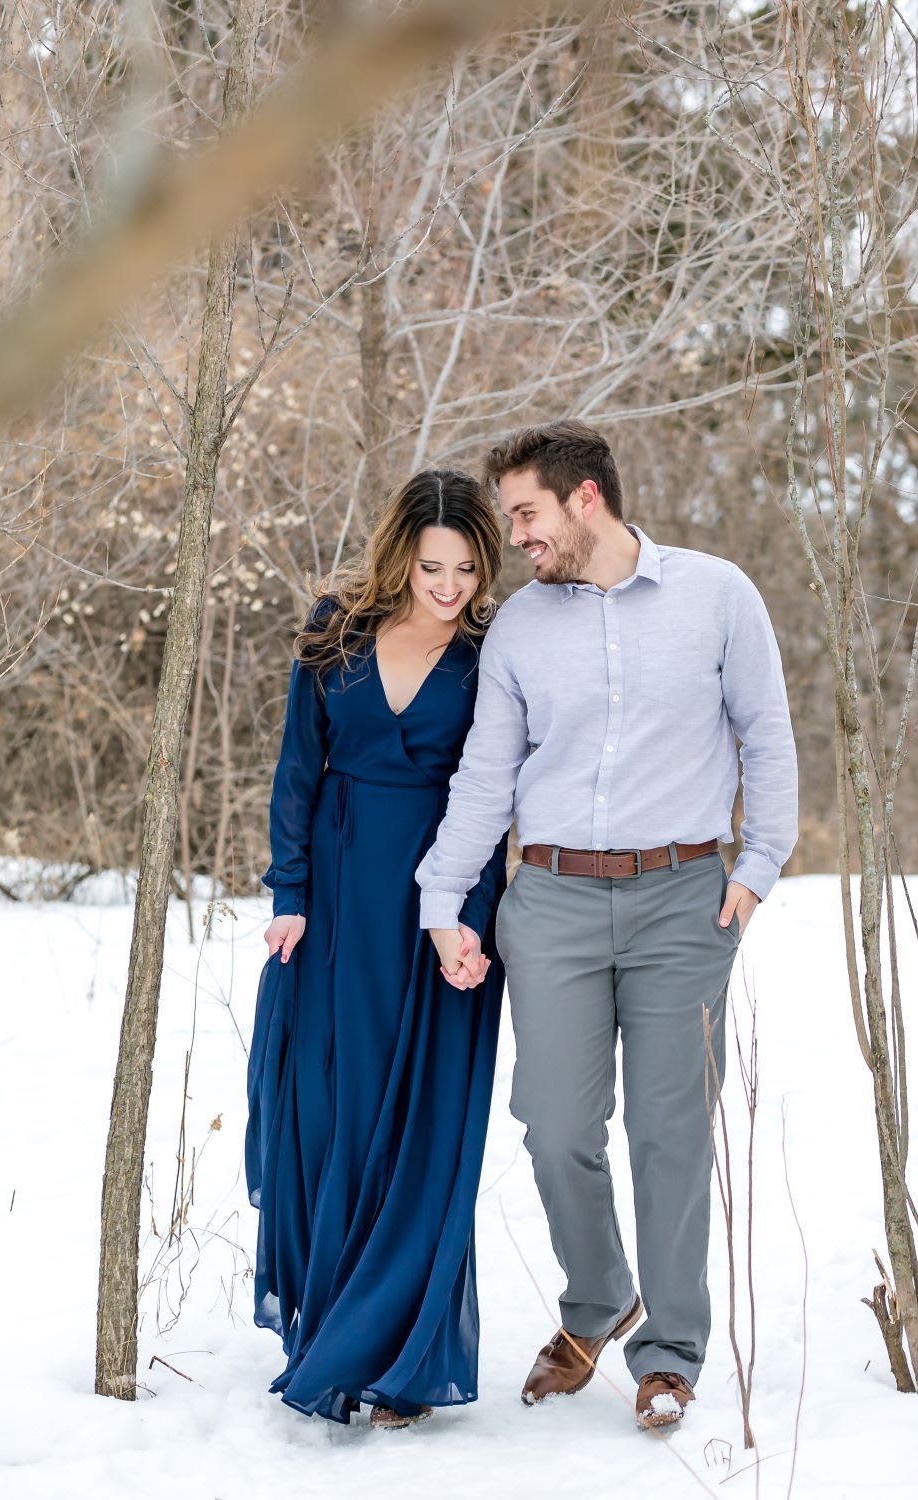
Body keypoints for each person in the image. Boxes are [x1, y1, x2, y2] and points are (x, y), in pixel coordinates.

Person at [417, 420, 798, 1431]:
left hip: (684, 899)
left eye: (528, 514)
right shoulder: (517, 631)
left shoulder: (718, 596)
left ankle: (666, 1356)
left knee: (670, 1134)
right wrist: (439, 898)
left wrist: (757, 868)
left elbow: (766, 733)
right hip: (549, 903)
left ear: (587, 499)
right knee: (551, 1125)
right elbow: (485, 780)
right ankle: (598, 1294)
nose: (518, 536)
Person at [245, 469, 508, 1429]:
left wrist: (468, 918)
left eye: (468, 569)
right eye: (433, 565)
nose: (449, 586)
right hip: (336, 906)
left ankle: (402, 1360)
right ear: (401, 554)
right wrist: (290, 891)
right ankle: (328, 1333)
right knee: (328, 1113)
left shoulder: (491, 652)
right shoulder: (334, 628)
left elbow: (496, 792)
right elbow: (295, 768)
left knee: (421, 1129)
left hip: (445, 903)